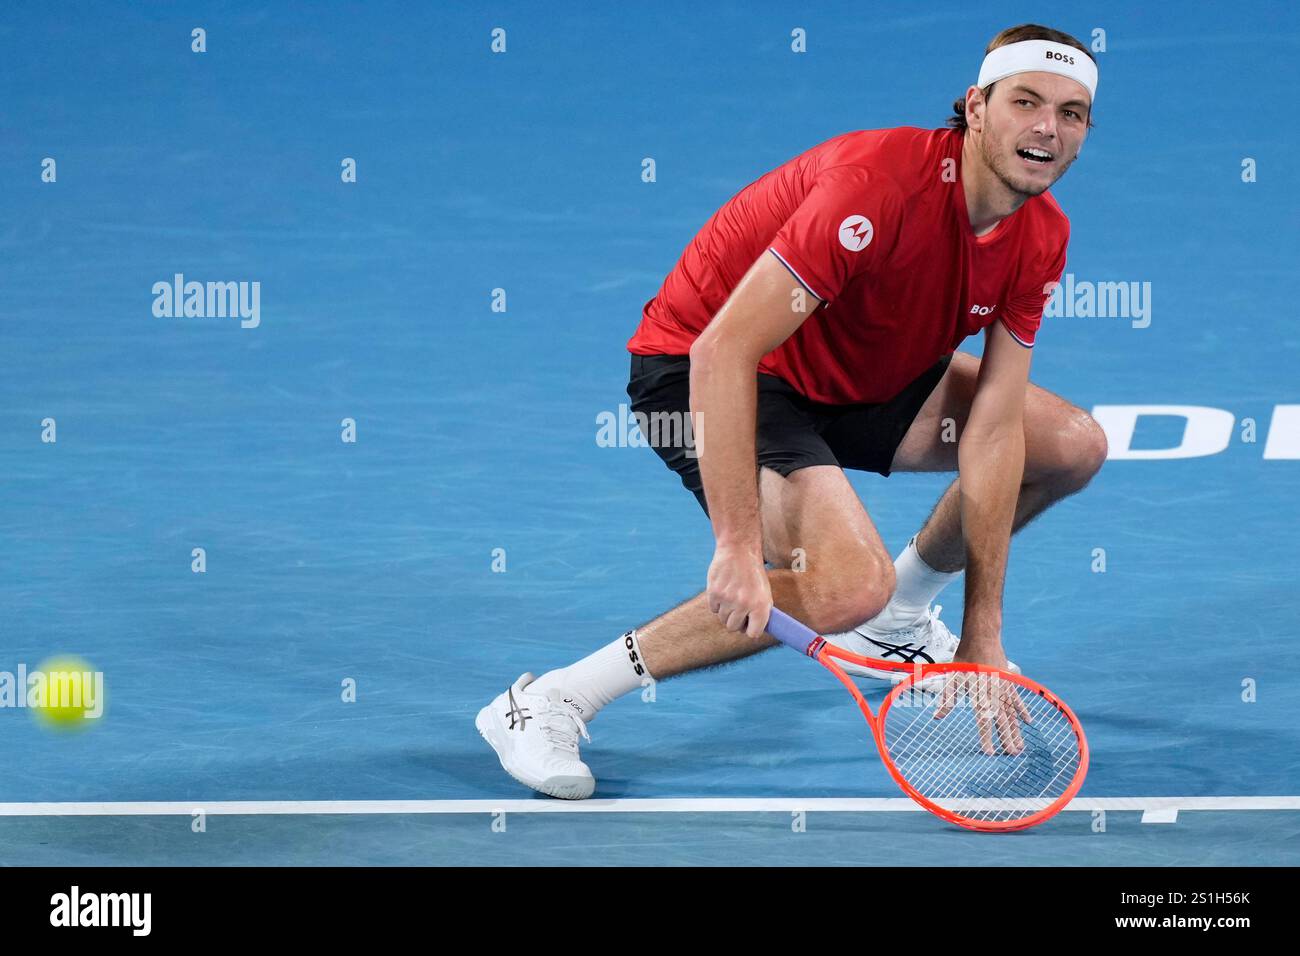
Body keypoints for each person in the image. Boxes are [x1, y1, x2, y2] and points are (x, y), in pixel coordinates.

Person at [477, 23, 1108, 799]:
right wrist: (738, 547)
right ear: (975, 108)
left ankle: (905, 617)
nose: (1047, 127)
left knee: (1071, 445)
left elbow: (997, 425)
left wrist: (982, 631)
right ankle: (553, 699)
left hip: (861, 373)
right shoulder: (878, 190)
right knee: (843, 586)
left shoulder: (1041, 236)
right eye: (1026, 102)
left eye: (1072, 113)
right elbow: (722, 353)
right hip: (708, 368)